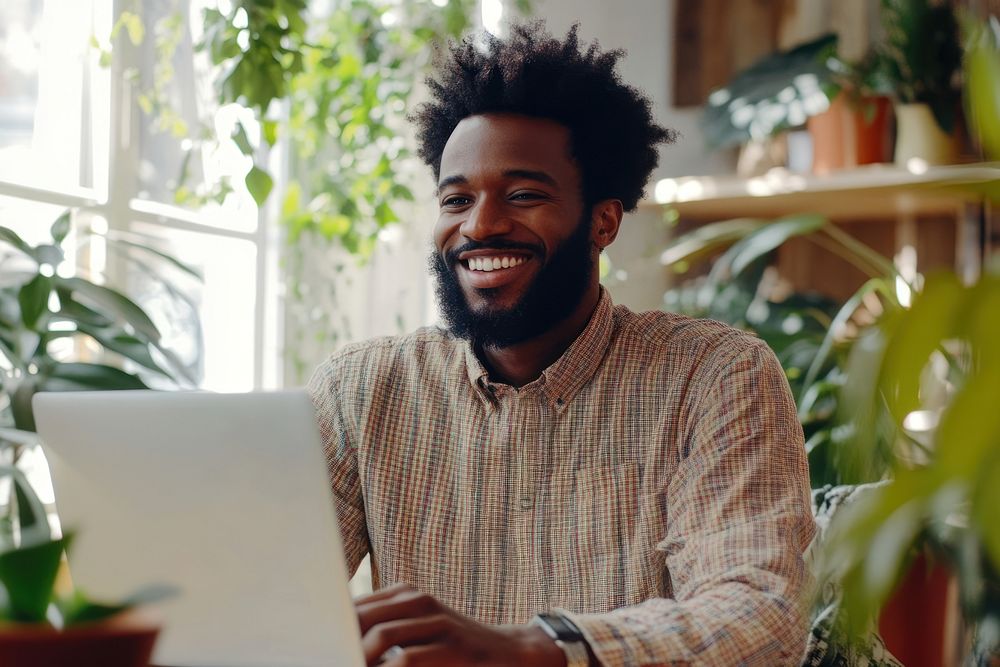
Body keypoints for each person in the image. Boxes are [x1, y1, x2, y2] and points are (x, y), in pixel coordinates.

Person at [308, 22, 816, 667]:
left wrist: (542, 648)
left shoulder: (711, 376)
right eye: (456, 198)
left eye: (523, 195)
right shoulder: (360, 389)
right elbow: (264, 592)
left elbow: (760, 619)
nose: (481, 224)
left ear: (603, 221)